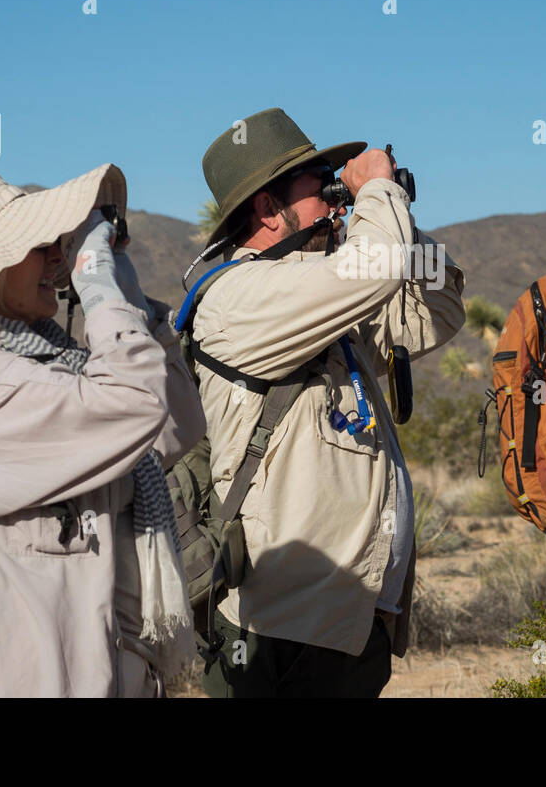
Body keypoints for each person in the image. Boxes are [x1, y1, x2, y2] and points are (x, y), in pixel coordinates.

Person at [0, 161, 206, 697]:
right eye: (38, 246)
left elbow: (174, 426)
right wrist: (98, 284)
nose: (57, 258)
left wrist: (130, 302)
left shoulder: (51, 368)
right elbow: (134, 403)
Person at [189, 107, 465, 697]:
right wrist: (378, 195)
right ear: (267, 209)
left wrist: (399, 218)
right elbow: (374, 269)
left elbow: (434, 315)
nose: (337, 202)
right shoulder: (237, 299)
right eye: (322, 189)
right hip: (281, 626)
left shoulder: (323, 300)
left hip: (349, 619)